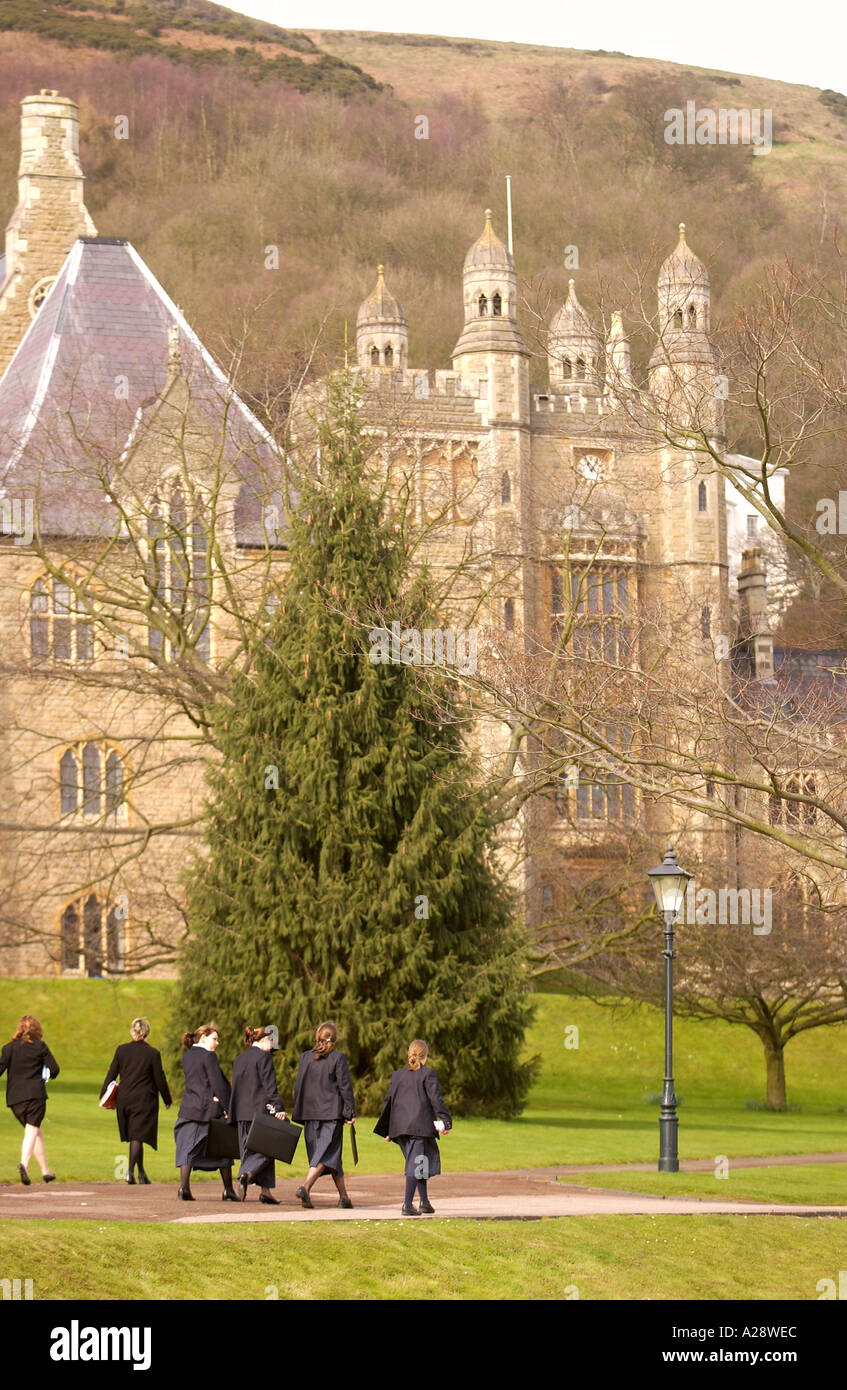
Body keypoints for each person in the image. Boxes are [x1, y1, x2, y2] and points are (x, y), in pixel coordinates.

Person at [376, 1039, 452, 1216]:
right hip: (419, 1127)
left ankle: (424, 1202)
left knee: (420, 1164)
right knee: (416, 1165)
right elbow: (436, 1100)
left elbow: (388, 1102)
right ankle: (407, 1204)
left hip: (401, 1129)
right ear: (426, 1055)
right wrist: (446, 1122)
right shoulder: (428, 1074)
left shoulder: (398, 1075)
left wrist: (386, 1129)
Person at [100, 1017, 172, 1184]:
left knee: (135, 1136)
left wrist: (103, 1095)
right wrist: (167, 1099)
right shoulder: (153, 1053)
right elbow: (159, 1079)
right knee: (137, 1136)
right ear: (147, 1032)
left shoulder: (121, 1050)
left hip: (124, 1099)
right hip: (144, 1100)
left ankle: (141, 1173)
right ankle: (130, 1171)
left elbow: (111, 1074)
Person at [292, 1022, 356, 1210]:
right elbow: (345, 1087)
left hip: (309, 1113)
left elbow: (298, 1085)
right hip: (330, 1114)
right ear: (334, 1040)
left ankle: (344, 1198)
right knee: (327, 1154)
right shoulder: (338, 1058)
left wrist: (299, 1108)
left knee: (328, 1155)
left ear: (317, 1037)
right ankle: (305, 1187)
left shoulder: (305, 1058)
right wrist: (350, 1111)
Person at [173, 1022, 237, 1201]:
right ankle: (227, 1190)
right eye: (214, 1039)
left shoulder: (187, 1056)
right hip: (206, 1110)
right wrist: (228, 1107)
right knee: (222, 1148)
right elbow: (217, 1083)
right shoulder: (208, 1056)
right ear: (203, 1038)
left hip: (189, 1108)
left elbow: (199, 1083)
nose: (217, 1043)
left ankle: (185, 1187)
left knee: (189, 1147)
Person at [229, 1026, 288, 1204]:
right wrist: (279, 1108)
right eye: (272, 1043)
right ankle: (247, 1174)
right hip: (260, 1111)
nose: (272, 1048)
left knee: (248, 1149)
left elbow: (236, 1086)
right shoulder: (264, 1057)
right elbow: (270, 1086)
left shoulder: (240, 1058)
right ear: (264, 1040)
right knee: (270, 1147)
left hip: (241, 1112)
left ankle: (266, 1192)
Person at [0, 1015, 60, 1185]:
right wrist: (46, 1075)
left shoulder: (8, 1048)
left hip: (15, 1099)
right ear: (36, 1029)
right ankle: (24, 1165)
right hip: (35, 1095)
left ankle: (45, 1171)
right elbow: (55, 1069)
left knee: (35, 1131)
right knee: (32, 1130)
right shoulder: (40, 1047)